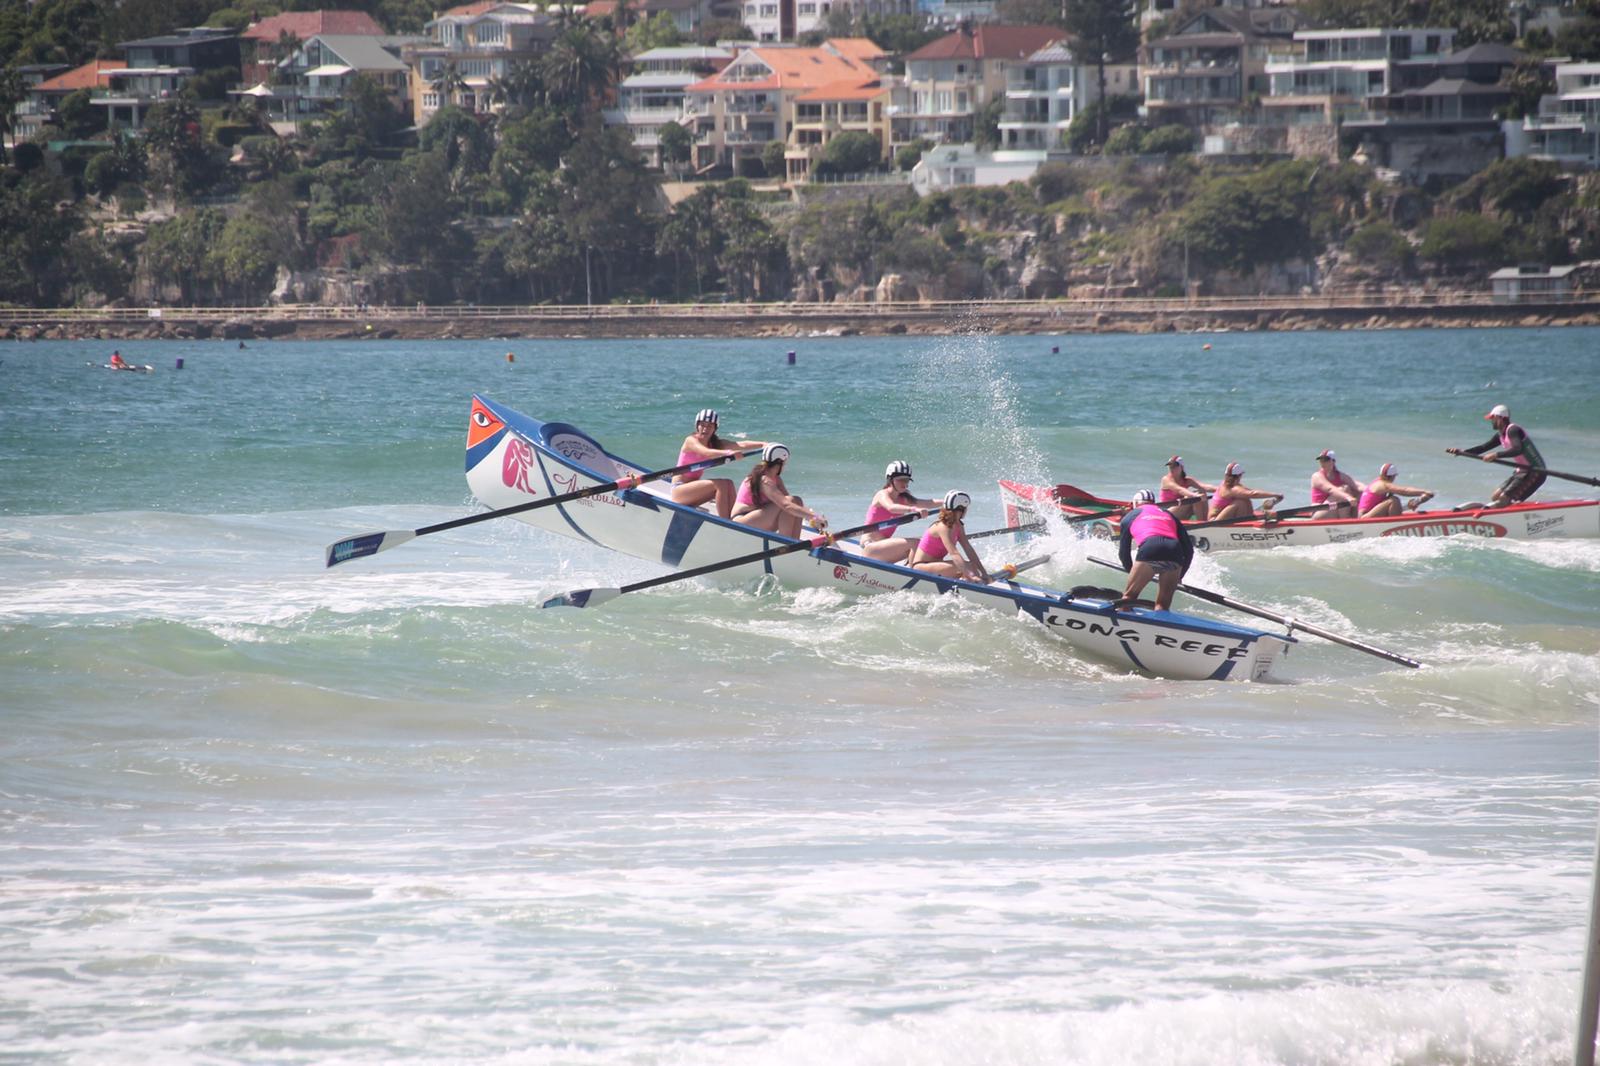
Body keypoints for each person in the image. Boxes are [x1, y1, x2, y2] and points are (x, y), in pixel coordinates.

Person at [670, 409, 765, 519]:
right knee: (720, 484)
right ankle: (725, 522)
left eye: (710, 426)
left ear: (715, 428)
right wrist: (728, 453)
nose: (705, 429)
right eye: (702, 425)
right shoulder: (690, 440)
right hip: (679, 491)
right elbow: (706, 452)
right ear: (697, 426)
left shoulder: (715, 444)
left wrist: (764, 444)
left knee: (729, 483)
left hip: (693, 493)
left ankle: (735, 519)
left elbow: (741, 444)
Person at [1449, 403, 1547, 504]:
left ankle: (1520, 507)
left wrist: (1496, 455)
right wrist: (1461, 452)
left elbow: (1518, 449)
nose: (1492, 421)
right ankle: (1513, 505)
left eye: (1493, 418)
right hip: (1522, 471)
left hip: (1536, 472)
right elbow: (1483, 447)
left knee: (1504, 499)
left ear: (1500, 418)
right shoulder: (1500, 435)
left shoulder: (1513, 430)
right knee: (1495, 497)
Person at [1117, 488, 1195, 611]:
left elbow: (1123, 553)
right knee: (1162, 605)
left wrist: (1131, 572)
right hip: (1175, 551)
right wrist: (1180, 575)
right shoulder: (1169, 514)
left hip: (1151, 548)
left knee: (1128, 598)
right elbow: (1189, 550)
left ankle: (1123, 619)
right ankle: (1160, 620)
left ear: (1135, 503)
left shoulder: (1130, 516)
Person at [732, 443, 826, 538]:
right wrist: (815, 516)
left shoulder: (776, 479)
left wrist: (811, 519)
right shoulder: (764, 480)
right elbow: (787, 505)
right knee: (790, 502)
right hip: (741, 522)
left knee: (797, 500)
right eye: (785, 463)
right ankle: (785, 542)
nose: (785, 465)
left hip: (757, 518)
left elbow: (793, 504)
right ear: (780, 462)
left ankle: (794, 541)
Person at [858, 461, 940, 563]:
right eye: (901, 480)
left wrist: (948, 502)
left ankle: (916, 570)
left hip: (883, 547)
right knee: (916, 543)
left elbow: (928, 503)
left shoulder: (904, 498)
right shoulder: (882, 494)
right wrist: (913, 509)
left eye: (907, 480)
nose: (904, 484)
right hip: (869, 546)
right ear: (890, 479)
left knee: (925, 545)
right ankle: (913, 571)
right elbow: (891, 507)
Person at [906, 491, 988, 583]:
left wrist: (984, 573)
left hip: (935, 564)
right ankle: (973, 584)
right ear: (961, 508)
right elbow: (954, 553)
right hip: (920, 567)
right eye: (966, 507)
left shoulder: (958, 525)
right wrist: (971, 575)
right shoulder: (943, 527)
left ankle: (972, 582)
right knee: (966, 568)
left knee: (972, 566)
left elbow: (968, 549)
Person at [1208, 462, 1284, 522]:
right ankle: (1246, 523)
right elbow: (1253, 494)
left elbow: (1250, 492)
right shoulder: (1231, 489)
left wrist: (1274, 500)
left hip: (1222, 518)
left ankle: (1252, 518)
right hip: (1214, 521)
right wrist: (1276, 494)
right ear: (1239, 476)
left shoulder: (1229, 485)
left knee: (1245, 498)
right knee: (1240, 502)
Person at [1357, 463, 1434, 518]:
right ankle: (1396, 527)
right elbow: (1404, 490)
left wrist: (1409, 505)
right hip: (1365, 518)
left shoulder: (1378, 482)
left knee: (1392, 499)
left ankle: (1407, 508)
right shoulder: (1382, 485)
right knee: (1394, 500)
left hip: (1368, 515)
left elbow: (1386, 507)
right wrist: (1424, 491)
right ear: (1392, 476)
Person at [1310, 449, 1363, 519]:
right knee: (1344, 489)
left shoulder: (1340, 476)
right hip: (1318, 512)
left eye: (1326, 460)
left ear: (1333, 461)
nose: (1322, 463)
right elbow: (1330, 489)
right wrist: (1348, 497)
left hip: (1332, 510)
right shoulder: (1316, 476)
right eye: (1321, 460)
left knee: (1358, 493)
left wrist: (1371, 491)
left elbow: (1357, 486)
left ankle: (1358, 517)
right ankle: (1346, 521)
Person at [1159, 456, 1213, 521]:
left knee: (1202, 492)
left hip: (1180, 511)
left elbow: (1205, 487)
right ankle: (1202, 523)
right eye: (1170, 466)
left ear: (1181, 467)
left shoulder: (1187, 480)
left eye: (1175, 466)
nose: (1171, 468)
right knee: (1192, 497)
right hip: (1167, 513)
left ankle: (1205, 522)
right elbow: (1179, 489)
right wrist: (1194, 495)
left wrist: (1220, 489)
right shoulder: (1166, 479)